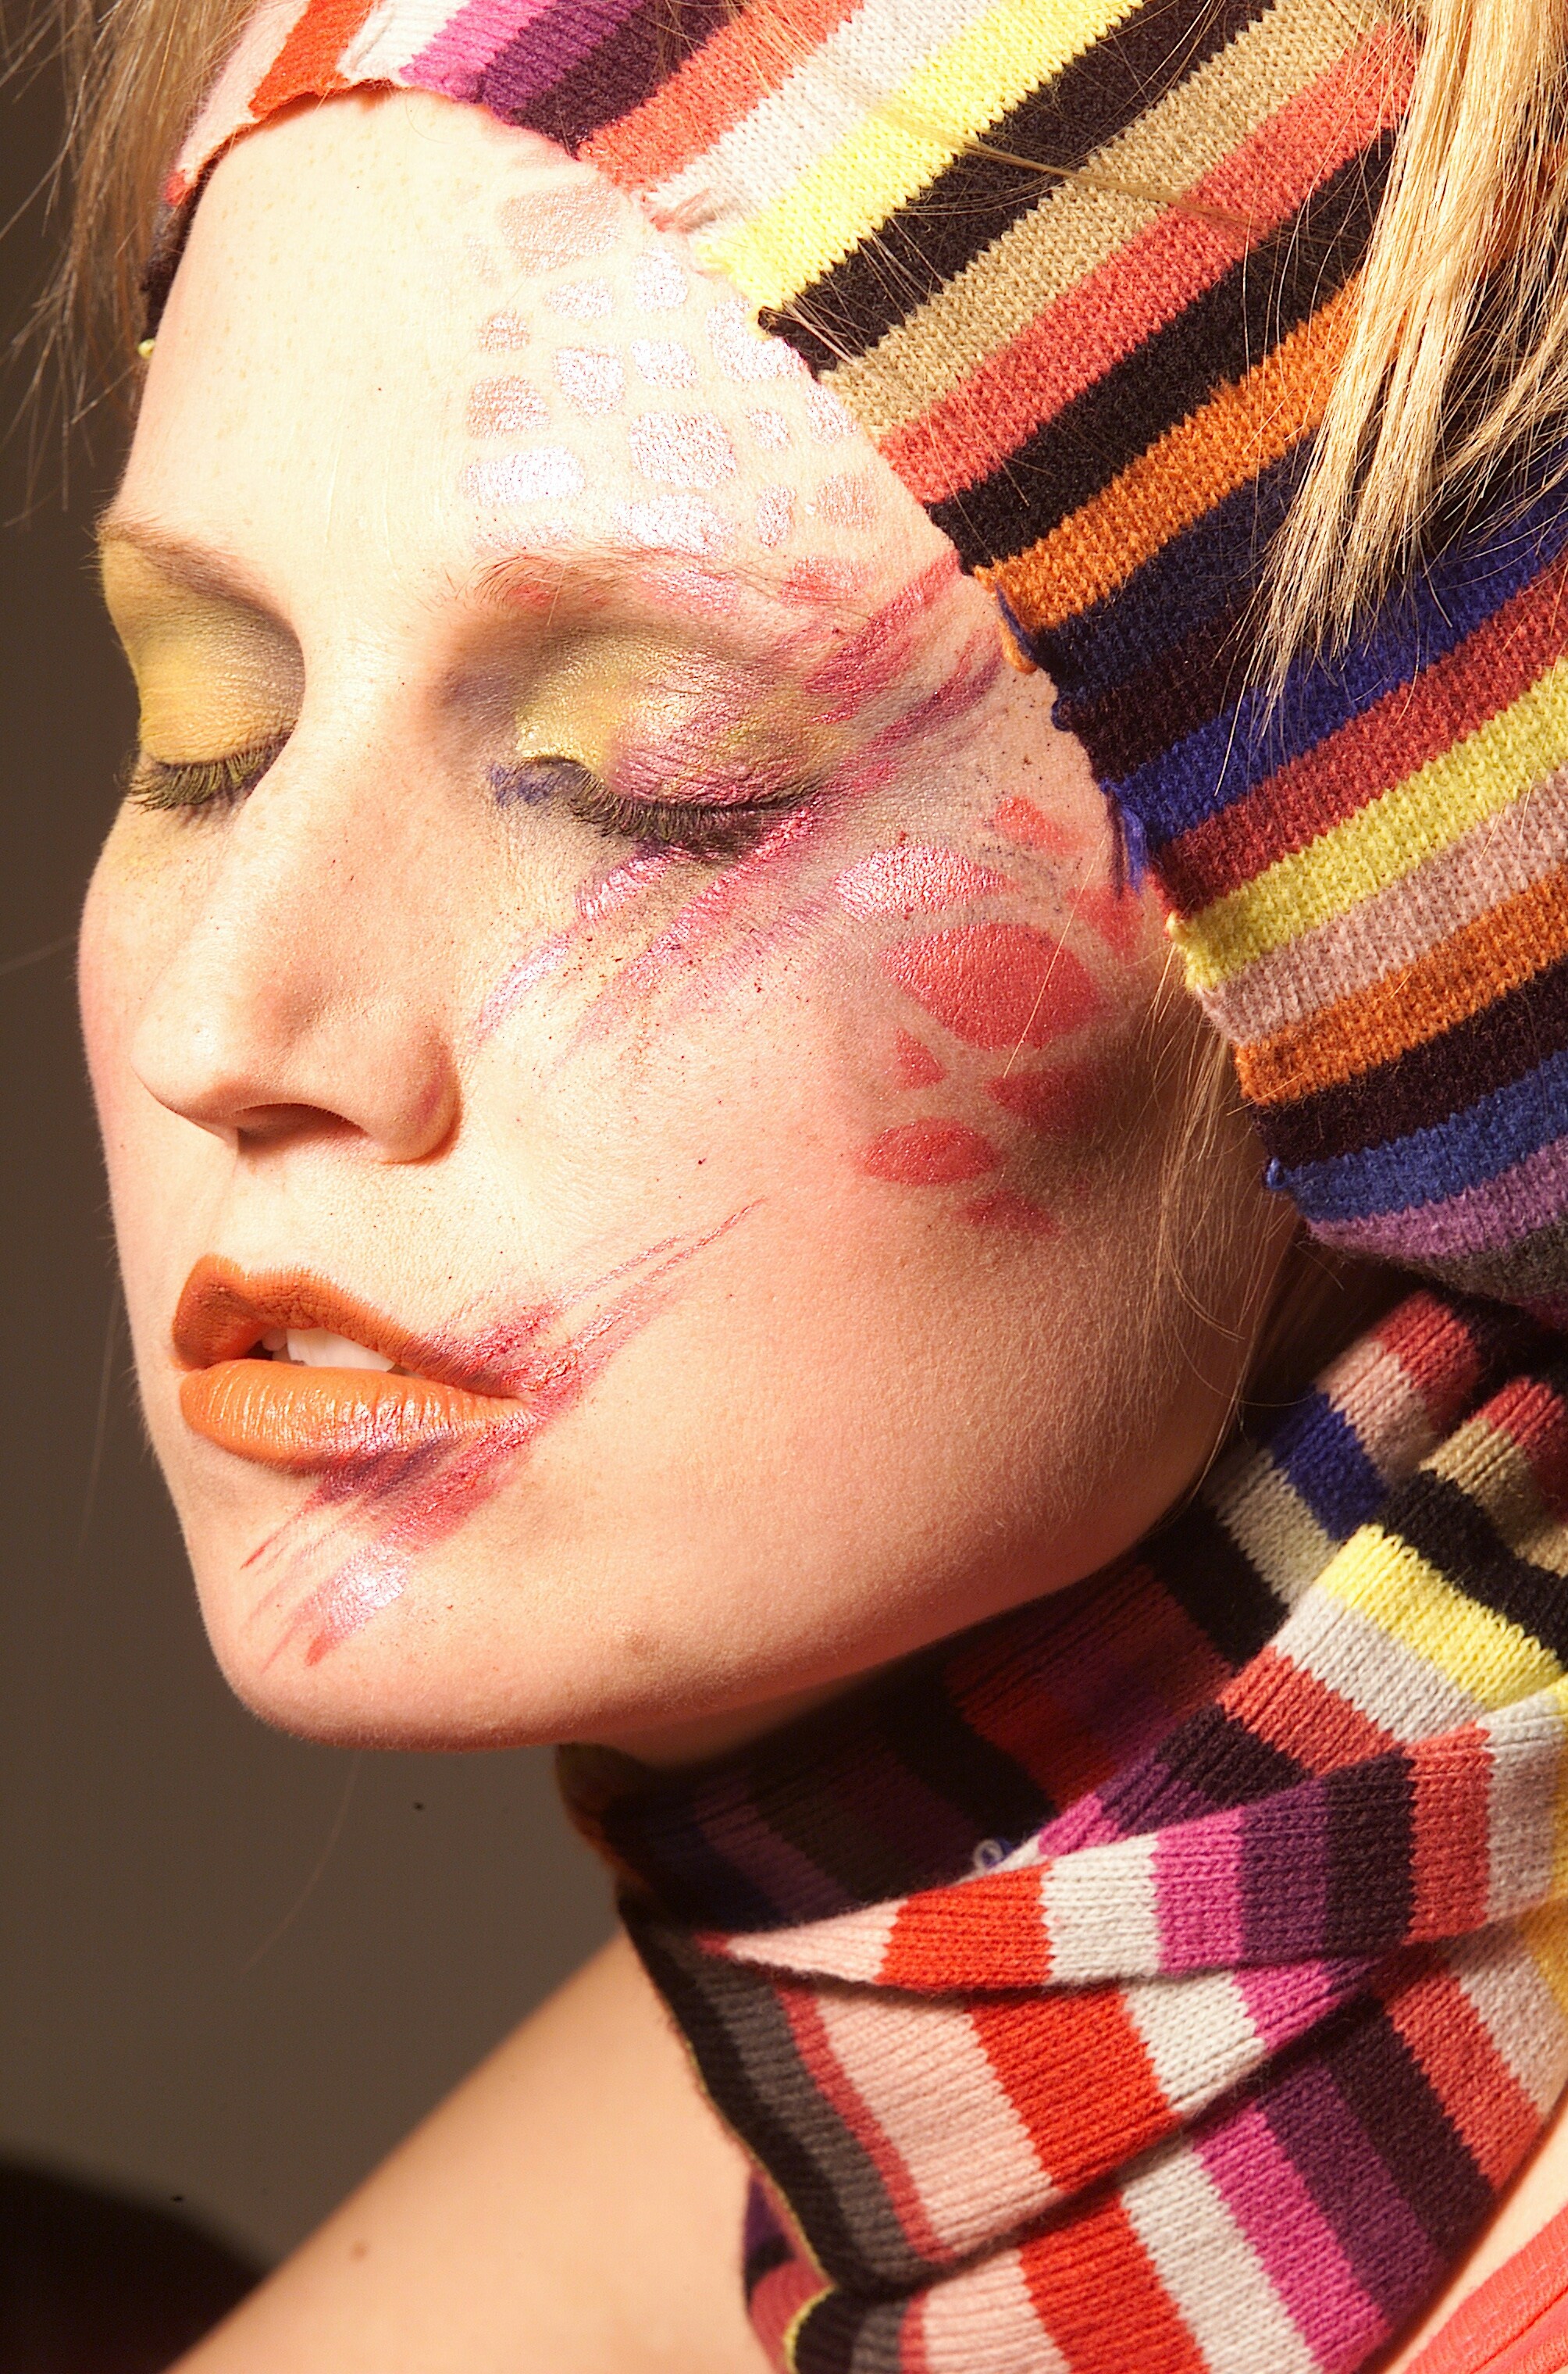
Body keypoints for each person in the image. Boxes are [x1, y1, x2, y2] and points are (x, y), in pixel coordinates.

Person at [52, 0, 1568, 2363]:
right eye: (207, 728)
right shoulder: (932, 2034)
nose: (222, 1026)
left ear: (1417, 969)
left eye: (641, 784)